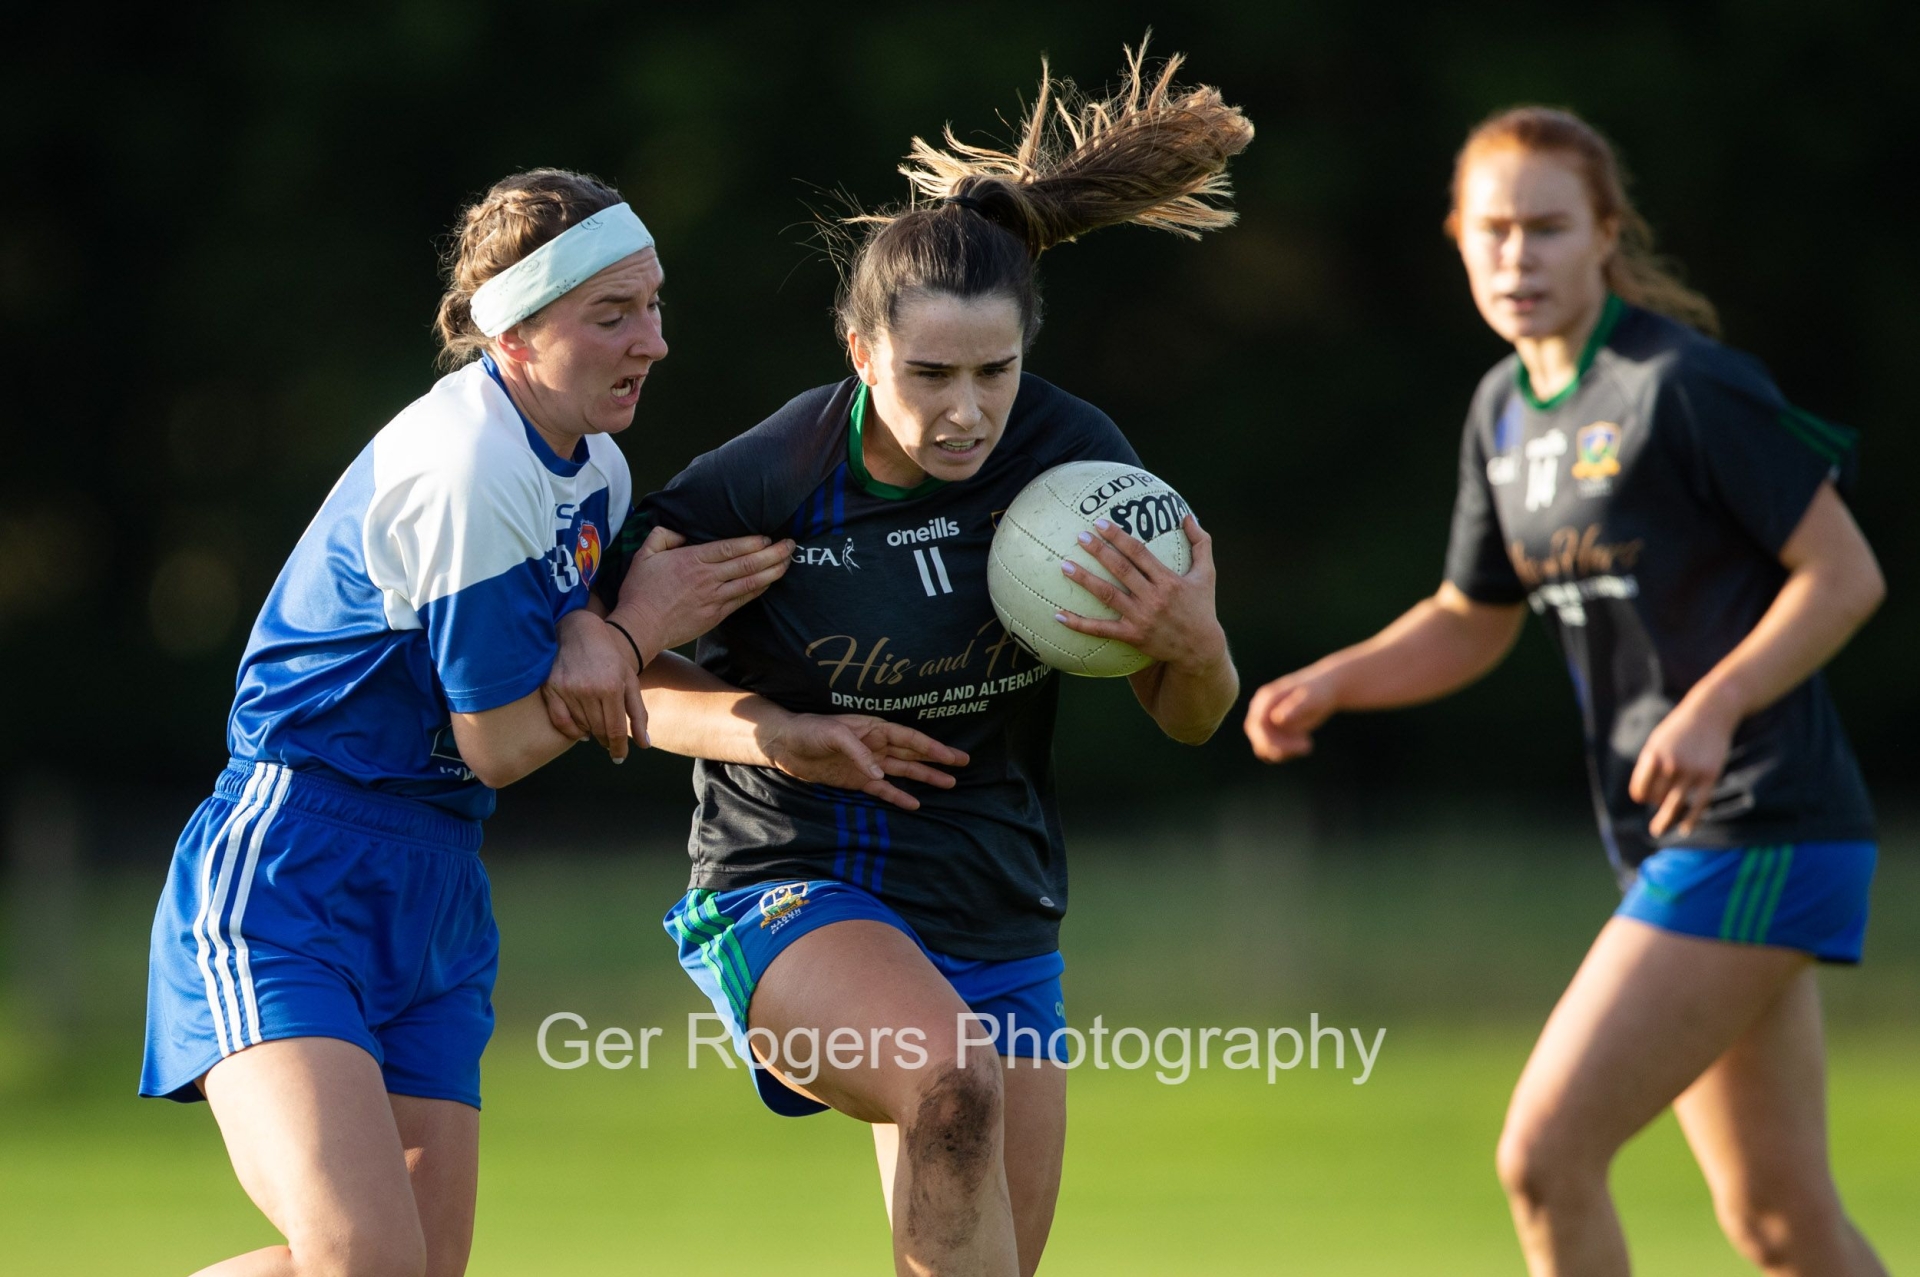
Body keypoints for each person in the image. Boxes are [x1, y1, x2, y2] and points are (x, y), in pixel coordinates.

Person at [548, 45, 1250, 1277]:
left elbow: (1191, 717)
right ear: (861, 351)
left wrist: (1201, 649)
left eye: (996, 371)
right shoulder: (766, 478)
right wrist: (782, 732)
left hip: (999, 906)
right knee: (949, 1073)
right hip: (792, 880)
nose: (967, 410)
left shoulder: (1078, 466)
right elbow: (614, 677)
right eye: (931, 374)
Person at [1245, 107, 1887, 1276]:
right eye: (1492, 231)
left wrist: (1716, 701)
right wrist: (1332, 681)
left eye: (1546, 229)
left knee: (1544, 1153)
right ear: (1457, 240)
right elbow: (1470, 619)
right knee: (1784, 1223)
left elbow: (1846, 576)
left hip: (1760, 821)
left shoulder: (1681, 385)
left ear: (1605, 234)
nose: (1517, 258)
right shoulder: (1503, 407)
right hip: (1675, 834)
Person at [139, 168, 798, 1277]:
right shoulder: (469, 461)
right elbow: (504, 737)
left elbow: (595, 683)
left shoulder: (594, 466)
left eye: (654, 304)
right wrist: (632, 629)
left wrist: (784, 733)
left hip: (438, 876)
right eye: (612, 314)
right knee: (361, 1257)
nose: (655, 340)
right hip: (294, 863)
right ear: (518, 331)